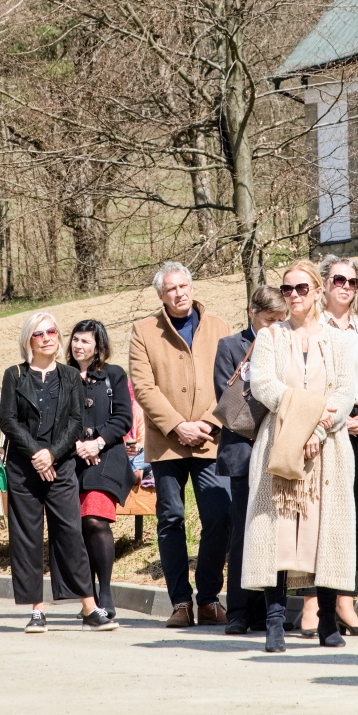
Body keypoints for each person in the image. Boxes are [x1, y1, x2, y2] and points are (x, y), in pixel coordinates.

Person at [241, 261, 358, 654]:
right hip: (280, 443)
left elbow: (343, 392)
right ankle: (275, 621)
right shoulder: (272, 336)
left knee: (324, 531)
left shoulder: (337, 340)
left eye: (302, 289)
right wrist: (303, 422)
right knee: (275, 530)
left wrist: (318, 429)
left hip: (328, 448)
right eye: (287, 289)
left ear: (318, 291)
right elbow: (263, 385)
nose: (293, 295)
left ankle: (327, 619)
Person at [128, 262, 233, 628]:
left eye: (184, 285)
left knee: (220, 516)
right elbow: (143, 387)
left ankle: (208, 598)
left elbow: (233, 381)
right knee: (170, 519)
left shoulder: (219, 327)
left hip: (209, 439)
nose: (180, 292)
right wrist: (177, 426)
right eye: (172, 288)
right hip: (167, 443)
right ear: (161, 295)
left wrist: (206, 423)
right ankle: (181, 603)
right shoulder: (143, 331)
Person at [2, 312, 114, 632]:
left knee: (70, 533)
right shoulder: (15, 375)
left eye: (52, 331)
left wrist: (51, 454)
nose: (48, 337)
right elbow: (9, 421)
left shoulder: (69, 376)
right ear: (29, 341)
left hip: (61, 466)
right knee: (27, 538)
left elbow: (75, 423)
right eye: (40, 334)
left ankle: (89, 608)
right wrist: (37, 454)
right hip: (24, 468)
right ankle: (36, 610)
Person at [306, 256, 358, 639]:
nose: (345, 287)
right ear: (323, 284)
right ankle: (311, 601)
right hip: (323, 429)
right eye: (338, 279)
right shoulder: (309, 327)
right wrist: (329, 419)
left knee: (353, 517)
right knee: (318, 516)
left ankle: (344, 600)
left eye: (353, 282)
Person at [206, 286, 285, 635]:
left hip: (277, 447)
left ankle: (270, 611)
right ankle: (238, 609)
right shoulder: (230, 346)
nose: (275, 327)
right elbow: (228, 397)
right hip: (242, 449)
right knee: (243, 532)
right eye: (269, 320)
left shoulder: (288, 341)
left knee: (273, 534)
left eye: (281, 320)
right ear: (252, 312)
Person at [66, 320, 135, 618]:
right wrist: (78, 445)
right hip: (70, 459)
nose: (79, 345)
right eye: (75, 340)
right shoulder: (61, 377)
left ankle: (104, 593)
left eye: (86, 341)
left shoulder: (114, 375)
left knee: (95, 519)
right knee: (79, 528)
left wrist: (97, 442)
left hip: (107, 457)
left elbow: (124, 418)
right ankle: (89, 598)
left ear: (98, 347)